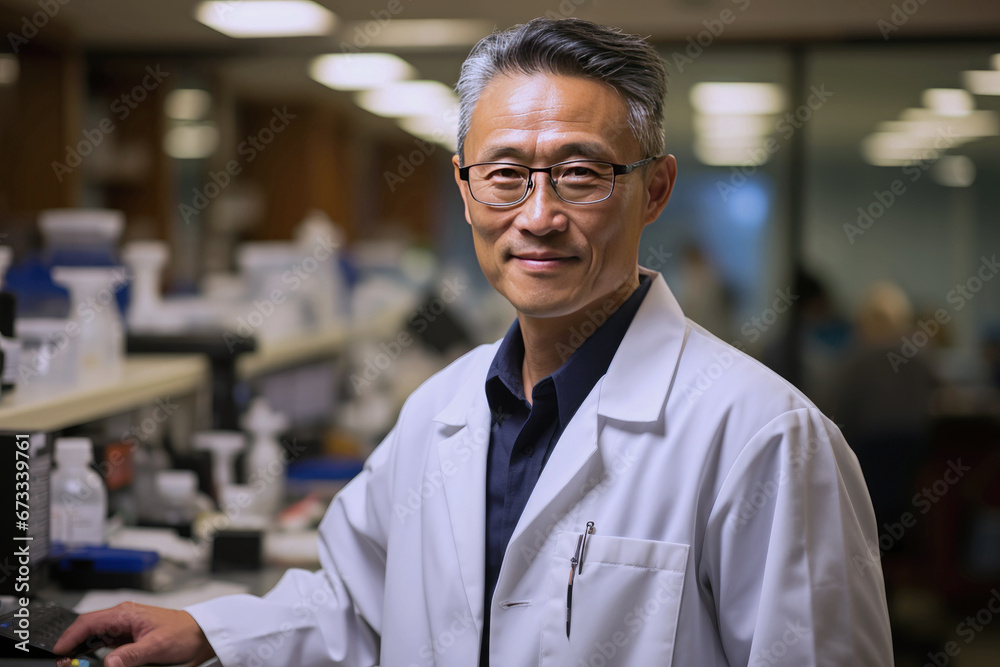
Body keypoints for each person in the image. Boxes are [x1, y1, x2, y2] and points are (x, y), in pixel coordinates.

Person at [55, 17, 892, 666]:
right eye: (505, 174)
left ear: (656, 188)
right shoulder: (439, 411)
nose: (538, 215)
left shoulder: (764, 438)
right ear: (464, 189)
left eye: (581, 172)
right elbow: (355, 604)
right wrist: (207, 629)